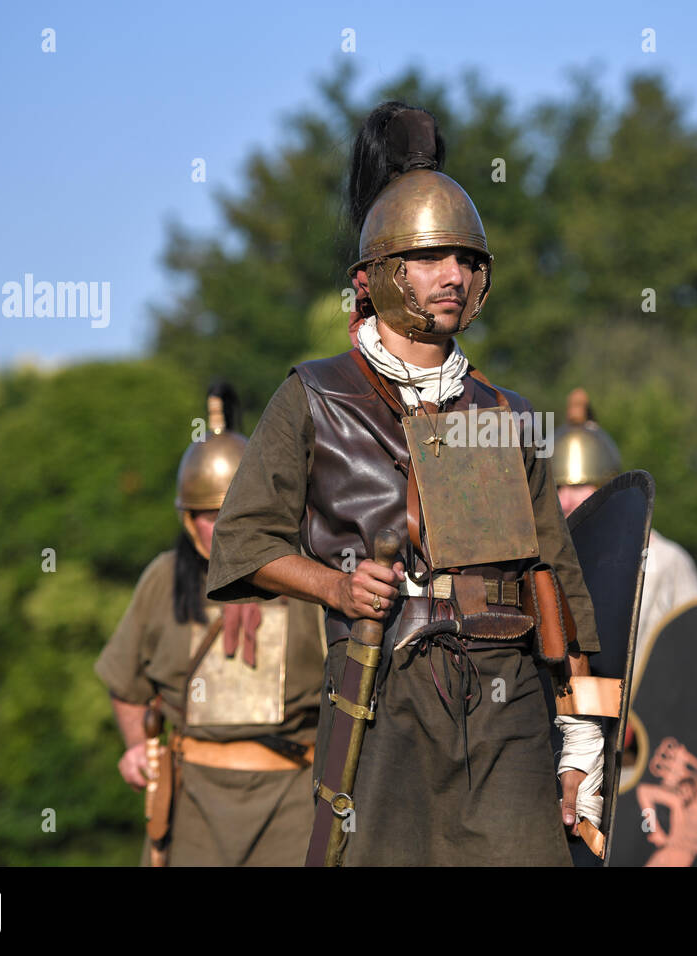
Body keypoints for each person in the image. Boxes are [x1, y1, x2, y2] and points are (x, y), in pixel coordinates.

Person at [206, 103, 604, 866]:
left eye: (464, 259)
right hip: (380, 688)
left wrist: (581, 739)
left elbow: (558, 576)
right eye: (429, 258)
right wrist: (336, 589)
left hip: (508, 704)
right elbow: (243, 540)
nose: (452, 275)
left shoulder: (505, 414)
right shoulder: (315, 396)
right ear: (378, 276)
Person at [95, 383, 327, 866]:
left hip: (292, 799)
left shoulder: (312, 577)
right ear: (187, 519)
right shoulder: (163, 580)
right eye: (208, 516)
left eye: (232, 512)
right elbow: (125, 684)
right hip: (194, 803)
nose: (222, 527)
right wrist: (139, 749)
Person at [552, 388, 697, 674]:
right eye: (558, 488)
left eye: (576, 486)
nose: (564, 500)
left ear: (607, 488)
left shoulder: (665, 560)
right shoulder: (549, 565)